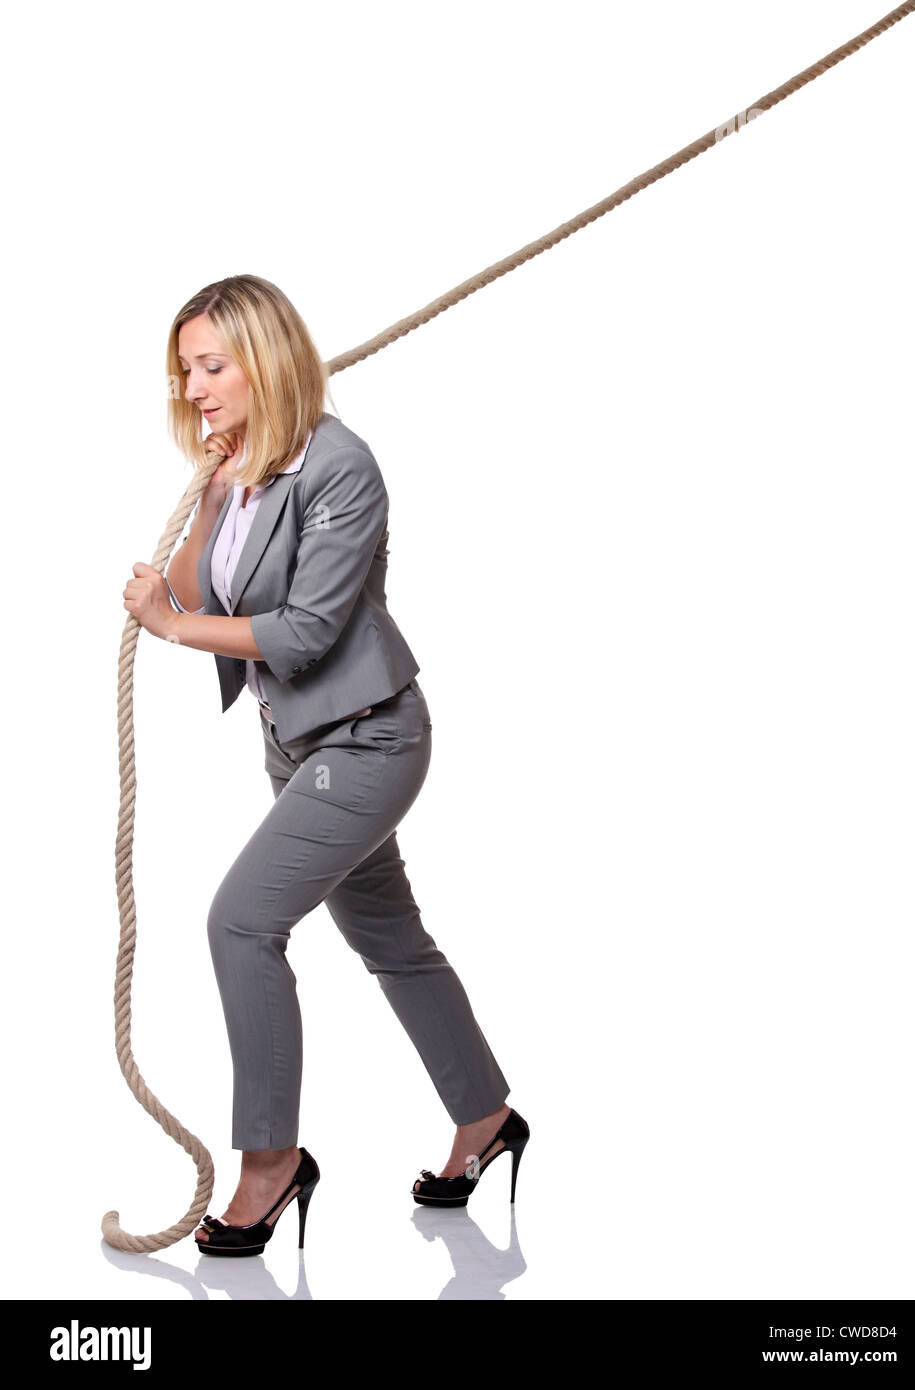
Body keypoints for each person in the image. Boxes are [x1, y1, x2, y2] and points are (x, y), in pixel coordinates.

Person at [122, 274, 528, 1255]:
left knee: (239, 920)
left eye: (213, 366)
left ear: (265, 359)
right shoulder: (244, 473)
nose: (195, 389)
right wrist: (211, 505)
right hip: (296, 745)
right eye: (186, 371)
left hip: (370, 738)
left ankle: (270, 1164)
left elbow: (302, 633)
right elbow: (192, 583)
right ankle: (486, 1120)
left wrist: (174, 629)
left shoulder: (339, 466)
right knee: (390, 938)